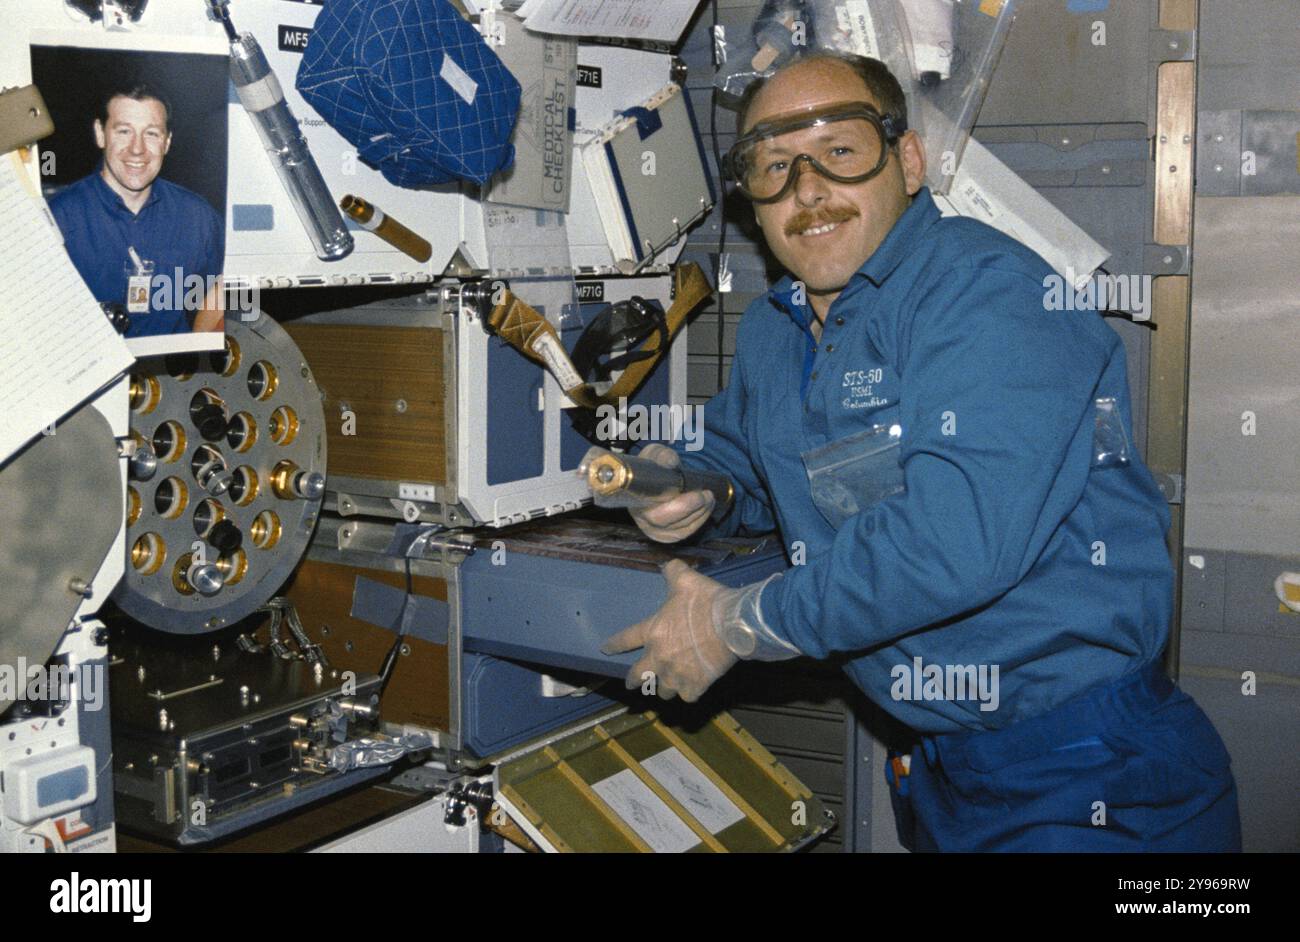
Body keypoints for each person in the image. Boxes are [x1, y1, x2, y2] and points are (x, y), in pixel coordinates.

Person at [601, 51, 1241, 852]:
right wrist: (689, 482)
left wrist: (736, 625)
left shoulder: (989, 295)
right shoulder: (775, 328)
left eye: (839, 151)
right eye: (772, 165)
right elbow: (752, 459)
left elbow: (952, 541)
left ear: (907, 161)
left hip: (1089, 773)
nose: (806, 189)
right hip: (942, 773)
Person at [48, 83, 224, 338]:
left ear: (167, 142)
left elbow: (230, 289)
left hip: (172, 374)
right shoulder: (59, 218)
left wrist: (198, 351)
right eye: (124, 131)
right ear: (100, 133)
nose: (137, 149)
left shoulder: (198, 217)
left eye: (151, 133)